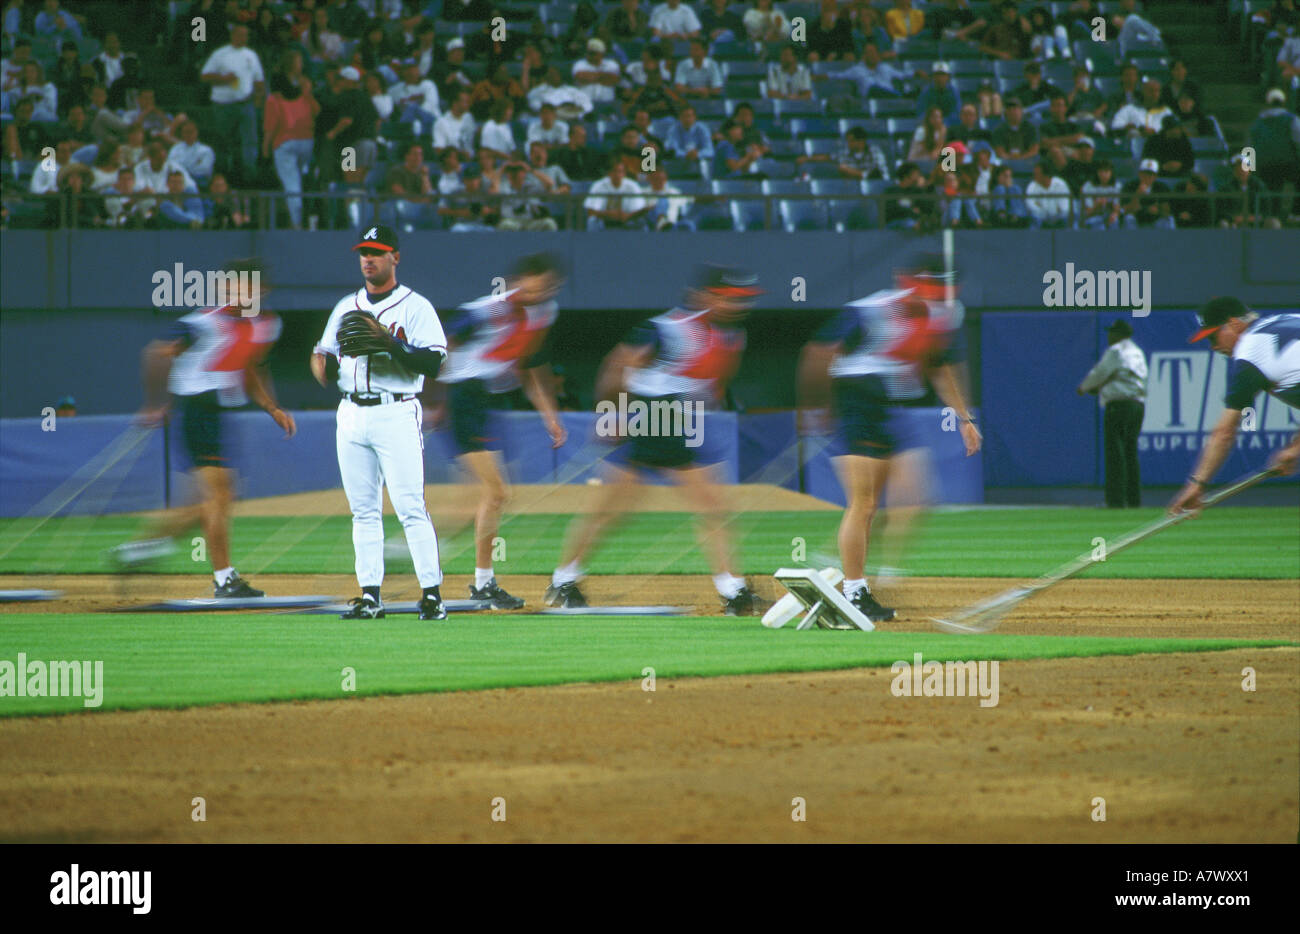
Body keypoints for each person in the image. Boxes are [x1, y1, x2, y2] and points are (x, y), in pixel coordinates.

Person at [546, 265, 769, 616]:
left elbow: (714, 383)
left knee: (624, 510)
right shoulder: (666, 329)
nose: (738, 306)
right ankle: (733, 592)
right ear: (707, 297)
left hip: (680, 416)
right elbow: (617, 365)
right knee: (632, 510)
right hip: (651, 414)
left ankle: (563, 581)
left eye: (744, 300)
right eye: (730, 299)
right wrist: (612, 415)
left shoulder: (731, 338)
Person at [797, 258, 981, 621]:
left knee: (914, 496)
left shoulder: (941, 316)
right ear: (907, 283)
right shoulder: (873, 310)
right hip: (858, 396)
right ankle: (854, 590)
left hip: (888, 402)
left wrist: (965, 418)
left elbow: (939, 366)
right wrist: (816, 407)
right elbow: (819, 350)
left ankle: (864, 569)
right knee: (864, 503)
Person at [111, 259, 295, 597]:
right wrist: (156, 402)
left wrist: (272, 407)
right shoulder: (204, 323)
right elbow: (158, 352)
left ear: (262, 290)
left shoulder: (266, 324)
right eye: (235, 285)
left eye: (249, 286)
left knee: (211, 502)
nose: (241, 292)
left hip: (221, 411)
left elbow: (250, 367)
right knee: (219, 496)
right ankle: (224, 578)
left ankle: (139, 550)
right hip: (197, 408)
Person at [310, 225, 449, 621]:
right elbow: (322, 355)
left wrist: (392, 344)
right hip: (351, 412)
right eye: (363, 252)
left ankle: (433, 596)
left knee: (410, 507)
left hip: (397, 410)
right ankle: (370, 596)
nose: (367, 258)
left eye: (376, 252)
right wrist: (322, 366)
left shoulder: (415, 307)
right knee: (363, 511)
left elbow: (435, 362)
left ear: (395, 257)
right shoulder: (346, 306)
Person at [436, 253, 568, 609]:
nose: (539, 293)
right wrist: (435, 401)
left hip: (484, 401)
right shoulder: (486, 310)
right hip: (464, 395)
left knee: (486, 497)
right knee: (495, 493)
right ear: (519, 281)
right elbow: (440, 345)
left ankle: (468, 574)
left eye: (548, 287)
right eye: (534, 284)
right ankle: (472, 579)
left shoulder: (543, 314)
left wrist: (549, 415)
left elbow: (531, 366)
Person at [1169, 298, 1300, 515]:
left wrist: (1197, 484)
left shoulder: (1250, 352)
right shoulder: (1286, 319)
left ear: (1234, 324)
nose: (1213, 346)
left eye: (1213, 336)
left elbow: (1224, 432)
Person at [1078, 320, 1147, 508]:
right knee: (1130, 453)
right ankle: (1134, 500)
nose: (1109, 336)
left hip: (1118, 405)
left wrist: (1084, 387)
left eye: (1112, 332)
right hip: (1137, 406)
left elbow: (1100, 373)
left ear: (1118, 334)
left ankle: (1116, 501)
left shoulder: (1117, 350)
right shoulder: (1137, 352)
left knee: (1115, 453)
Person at [199, 23, 265, 186]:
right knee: (223, 140)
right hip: (223, 104)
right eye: (241, 35)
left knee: (250, 140)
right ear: (233, 35)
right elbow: (204, 76)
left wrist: (258, 98)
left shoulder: (251, 55)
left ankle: (250, 177)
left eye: (246, 35)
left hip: (245, 103)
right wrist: (223, 79)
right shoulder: (220, 54)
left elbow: (259, 80)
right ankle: (224, 176)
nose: (244, 38)